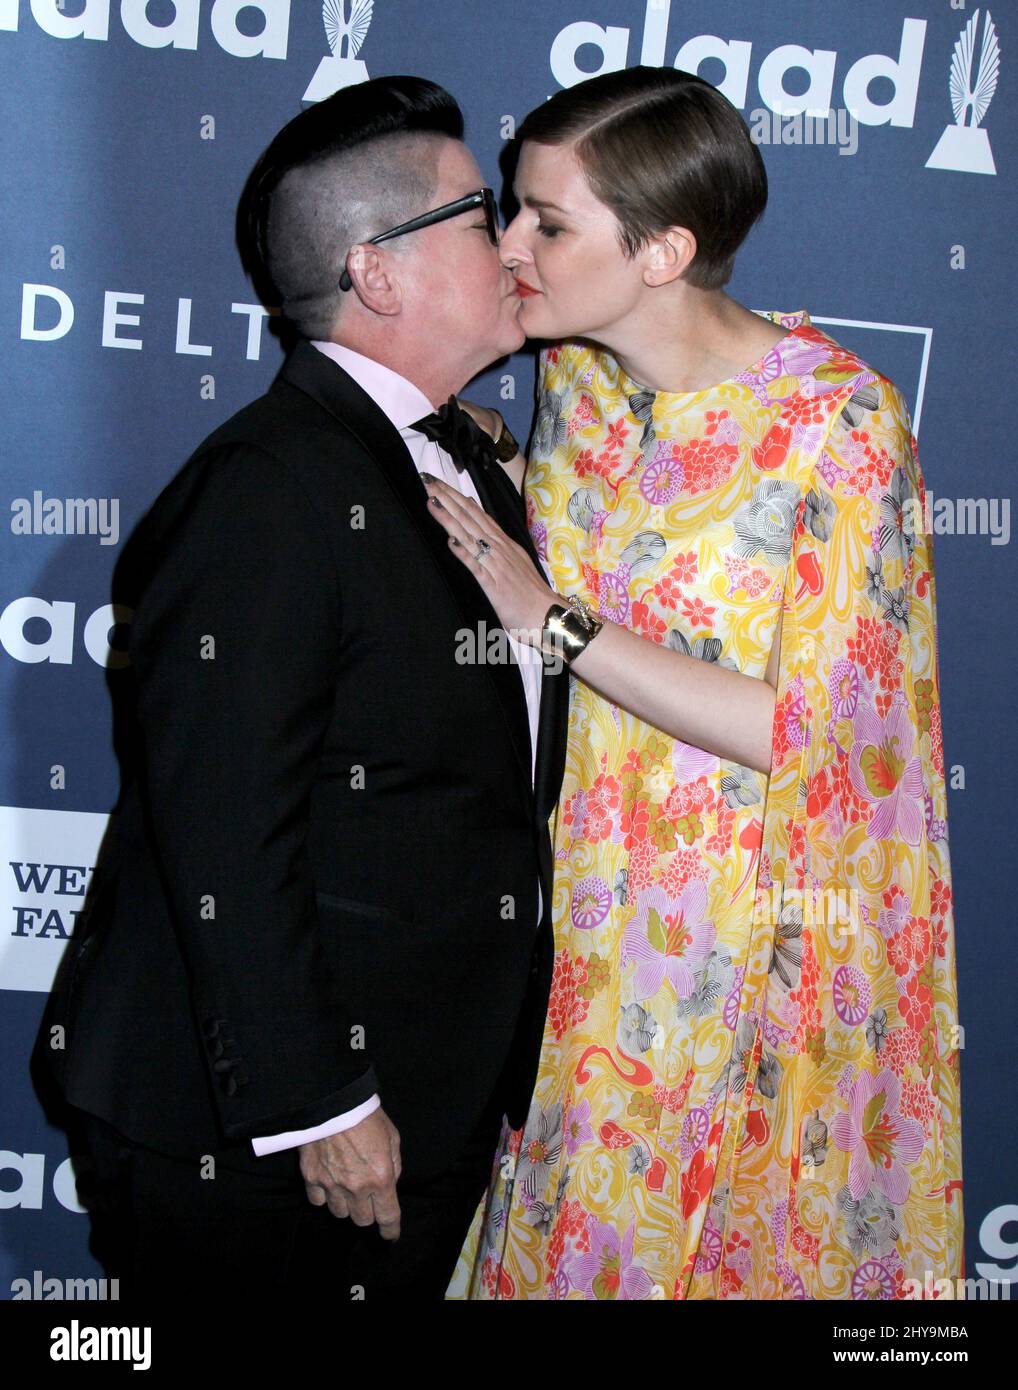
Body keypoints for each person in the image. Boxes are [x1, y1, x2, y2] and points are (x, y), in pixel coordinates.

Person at [429, 66, 963, 1299]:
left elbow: (813, 734)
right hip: (568, 916)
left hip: (729, 940)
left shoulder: (840, 429)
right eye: (513, 208)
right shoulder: (582, 385)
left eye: (545, 223)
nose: (506, 243)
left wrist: (549, 619)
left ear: (663, 251)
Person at [40, 74, 569, 1298]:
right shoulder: (268, 489)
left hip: (418, 1100)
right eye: (480, 212)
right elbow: (221, 820)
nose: (510, 244)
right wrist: (318, 1097)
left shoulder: (458, 467)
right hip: (264, 1141)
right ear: (376, 273)